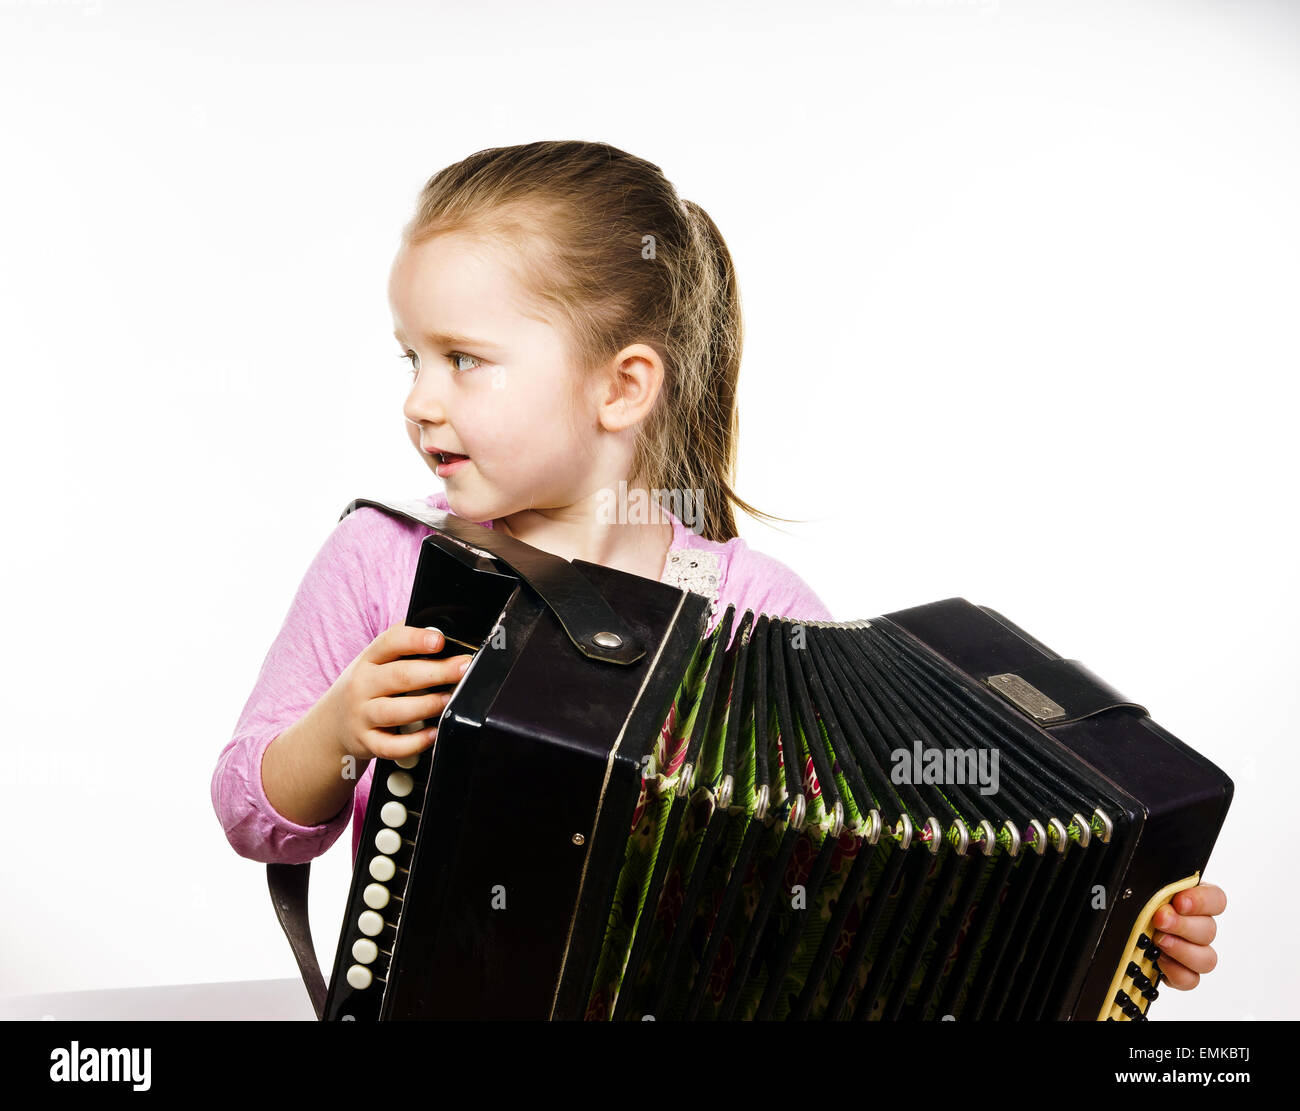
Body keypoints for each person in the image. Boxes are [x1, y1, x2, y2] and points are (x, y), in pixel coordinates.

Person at [210, 139, 1223, 999]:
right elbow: (252, 815)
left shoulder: (760, 615)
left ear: (622, 386)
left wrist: (1106, 930)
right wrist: (336, 737)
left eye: (462, 359)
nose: (421, 401)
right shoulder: (387, 560)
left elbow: (883, 867)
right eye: (410, 359)